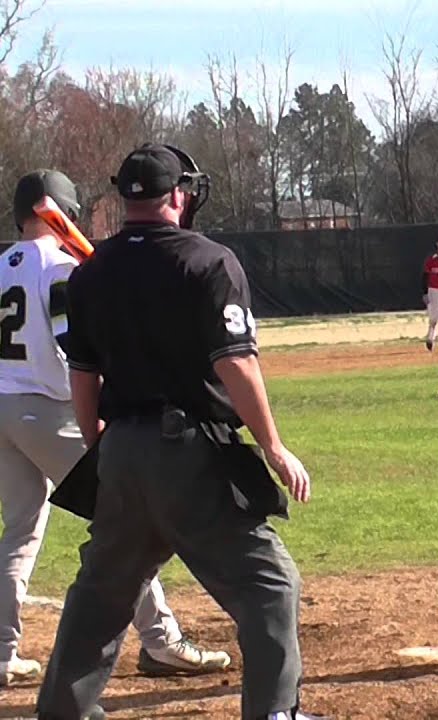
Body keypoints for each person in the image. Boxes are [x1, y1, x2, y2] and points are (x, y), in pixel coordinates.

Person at [35, 144, 321, 720]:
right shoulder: (208, 261)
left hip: (120, 449)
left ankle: (62, 712)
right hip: (189, 453)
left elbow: (83, 373)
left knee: (100, 597)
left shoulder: (91, 272)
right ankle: (275, 712)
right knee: (269, 586)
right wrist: (273, 446)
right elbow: (235, 362)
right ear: (179, 196)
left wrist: (99, 447)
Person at [0, 170, 232, 688]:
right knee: (127, 522)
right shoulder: (61, 268)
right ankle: (160, 640)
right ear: (62, 213)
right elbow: (75, 348)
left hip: (2, 409)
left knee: (19, 531)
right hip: (49, 408)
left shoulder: (1, 266)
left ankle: (1, 652)